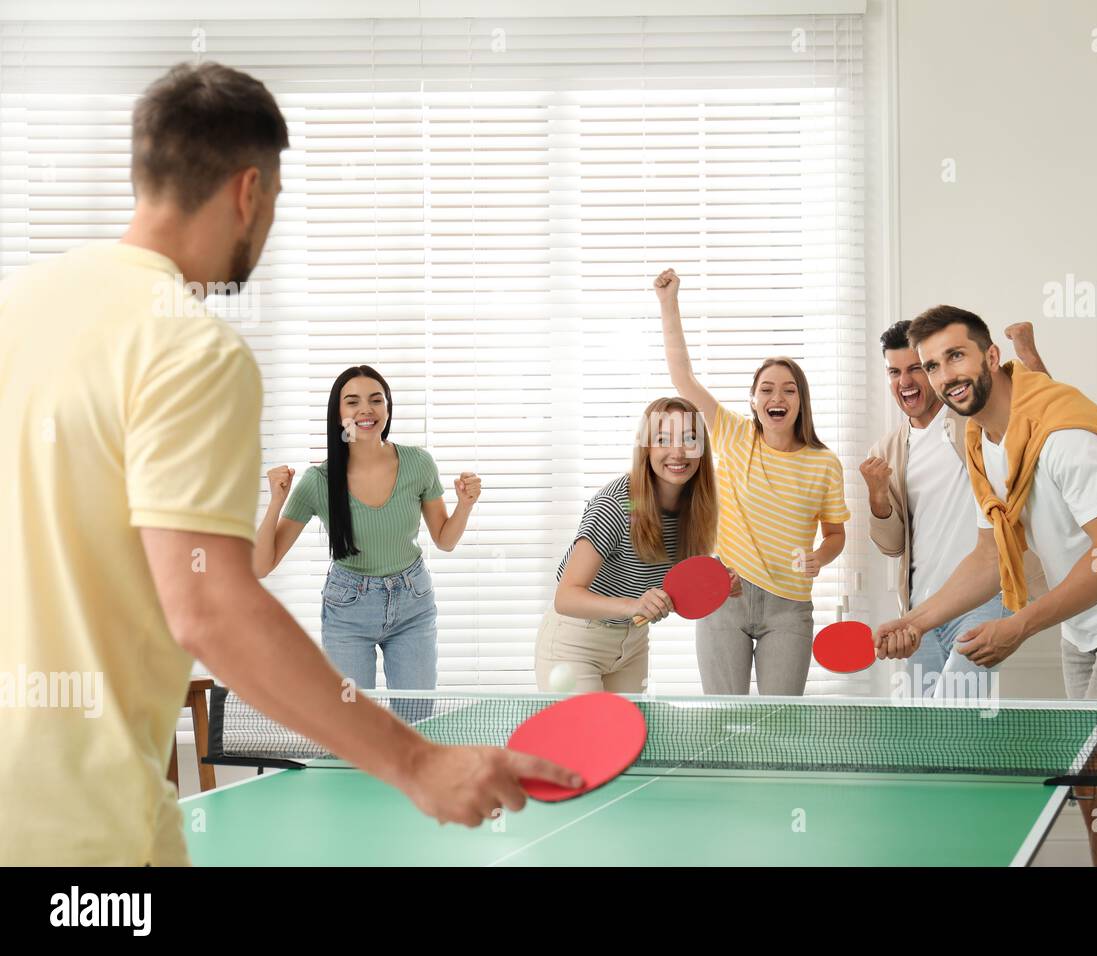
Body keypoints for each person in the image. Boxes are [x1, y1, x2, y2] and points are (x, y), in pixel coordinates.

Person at [0, 61, 574, 865]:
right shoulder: (189, 349)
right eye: (274, 197)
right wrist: (416, 761)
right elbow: (209, 606)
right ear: (248, 192)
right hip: (80, 830)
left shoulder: (18, 304)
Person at [875, 305, 1097, 866]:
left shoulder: (1064, 436)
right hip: (1084, 622)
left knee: (1096, 771)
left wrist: (1021, 623)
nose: (943, 375)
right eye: (930, 365)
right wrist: (916, 620)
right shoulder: (982, 442)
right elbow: (987, 556)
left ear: (990, 356)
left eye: (956, 355)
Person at [655, 268, 851, 695]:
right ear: (753, 400)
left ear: (801, 401)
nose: (776, 398)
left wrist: (822, 556)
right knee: (726, 723)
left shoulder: (824, 464)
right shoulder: (735, 435)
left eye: (788, 390)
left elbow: (835, 534)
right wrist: (669, 303)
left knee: (778, 728)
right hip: (725, 597)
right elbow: (683, 379)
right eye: (766, 390)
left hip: (789, 608)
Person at [255, 365, 480, 694]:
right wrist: (276, 501)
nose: (366, 409)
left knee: (416, 723)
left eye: (377, 400)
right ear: (338, 413)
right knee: (352, 725)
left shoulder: (419, 464)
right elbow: (262, 565)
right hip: (348, 608)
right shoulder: (319, 481)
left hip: (412, 602)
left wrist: (465, 504)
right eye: (353, 401)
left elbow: (445, 540)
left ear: (388, 409)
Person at [861, 319, 1049, 698]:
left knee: (953, 708)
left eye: (916, 368)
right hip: (923, 611)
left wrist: (1029, 356)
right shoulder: (886, 450)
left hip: (987, 596)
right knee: (929, 735)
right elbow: (892, 546)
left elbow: (1041, 418)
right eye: (894, 372)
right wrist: (878, 497)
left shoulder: (972, 418)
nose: (906, 381)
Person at [538, 396, 733, 693]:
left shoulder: (694, 510)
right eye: (663, 439)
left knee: (630, 739)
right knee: (587, 739)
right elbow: (565, 598)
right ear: (646, 448)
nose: (677, 452)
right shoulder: (616, 505)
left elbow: (671, 592)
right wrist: (633, 605)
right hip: (575, 642)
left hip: (632, 643)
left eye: (689, 439)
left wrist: (717, 586)